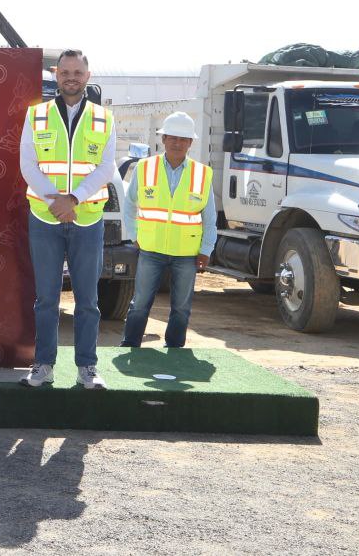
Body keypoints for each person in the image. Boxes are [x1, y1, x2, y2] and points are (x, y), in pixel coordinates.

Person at [19, 49, 115, 390]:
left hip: (87, 218)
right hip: (44, 218)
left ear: (87, 76)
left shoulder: (104, 118)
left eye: (78, 72)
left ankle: (87, 368)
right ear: (56, 75)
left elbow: (106, 167)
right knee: (46, 298)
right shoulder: (37, 115)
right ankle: (43, 365)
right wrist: (56, 202)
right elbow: (27, 165)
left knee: (87, 300)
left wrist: (74, 199)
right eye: (65, 72)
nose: (71, 77)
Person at [119, 112, 217, 348]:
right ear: (163, 139)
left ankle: (174, 350)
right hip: (151, 248)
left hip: (187, 253)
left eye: (183, 139)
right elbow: (130, 204)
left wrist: (206, 250)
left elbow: (210, 217)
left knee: (182, 307)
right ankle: (130, 345)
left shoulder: (202, 174)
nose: (177, 143)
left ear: (191, 143)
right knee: (140, 302)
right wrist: (134, 235)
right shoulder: (144, 168)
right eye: (172, 137)